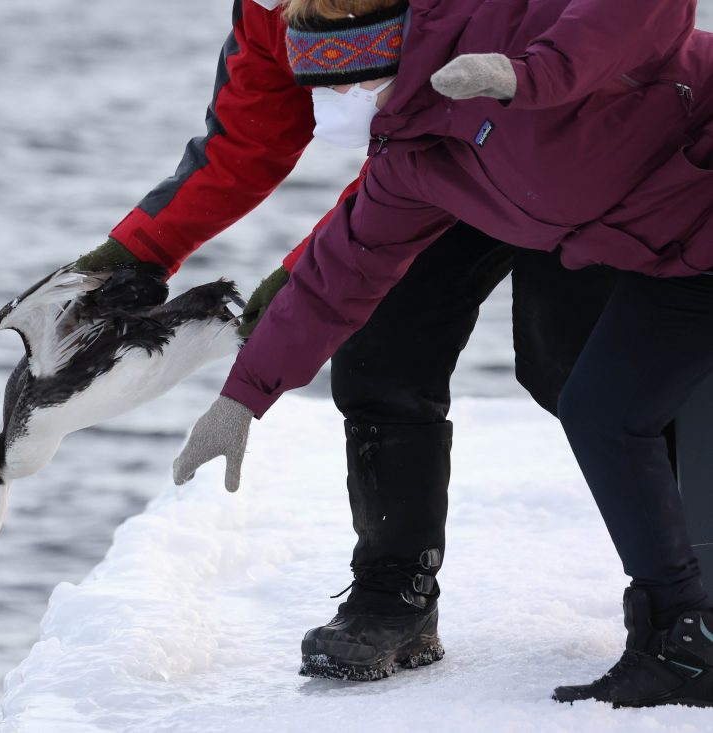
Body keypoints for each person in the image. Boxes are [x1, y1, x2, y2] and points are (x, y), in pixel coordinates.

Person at [173, 0, 713, 708]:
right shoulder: (413, 155)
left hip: (684, 204)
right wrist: (242, 397)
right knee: (591, 403)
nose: (334, 108)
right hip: (670, 257)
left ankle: (692, 597)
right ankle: (677, 636)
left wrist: (531, 76)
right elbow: (340, 271)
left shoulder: (508, 32)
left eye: (341, 88)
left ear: (379, 62)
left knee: (578, 376)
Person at [75, 0, 619, 683]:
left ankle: (687, 578)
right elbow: (263, 144)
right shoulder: (269, 13)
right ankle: (397, 593)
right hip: (438, 161)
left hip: (579, 141)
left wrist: (301, 268)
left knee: (576, 368)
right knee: (378, 355)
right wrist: (134, 256)